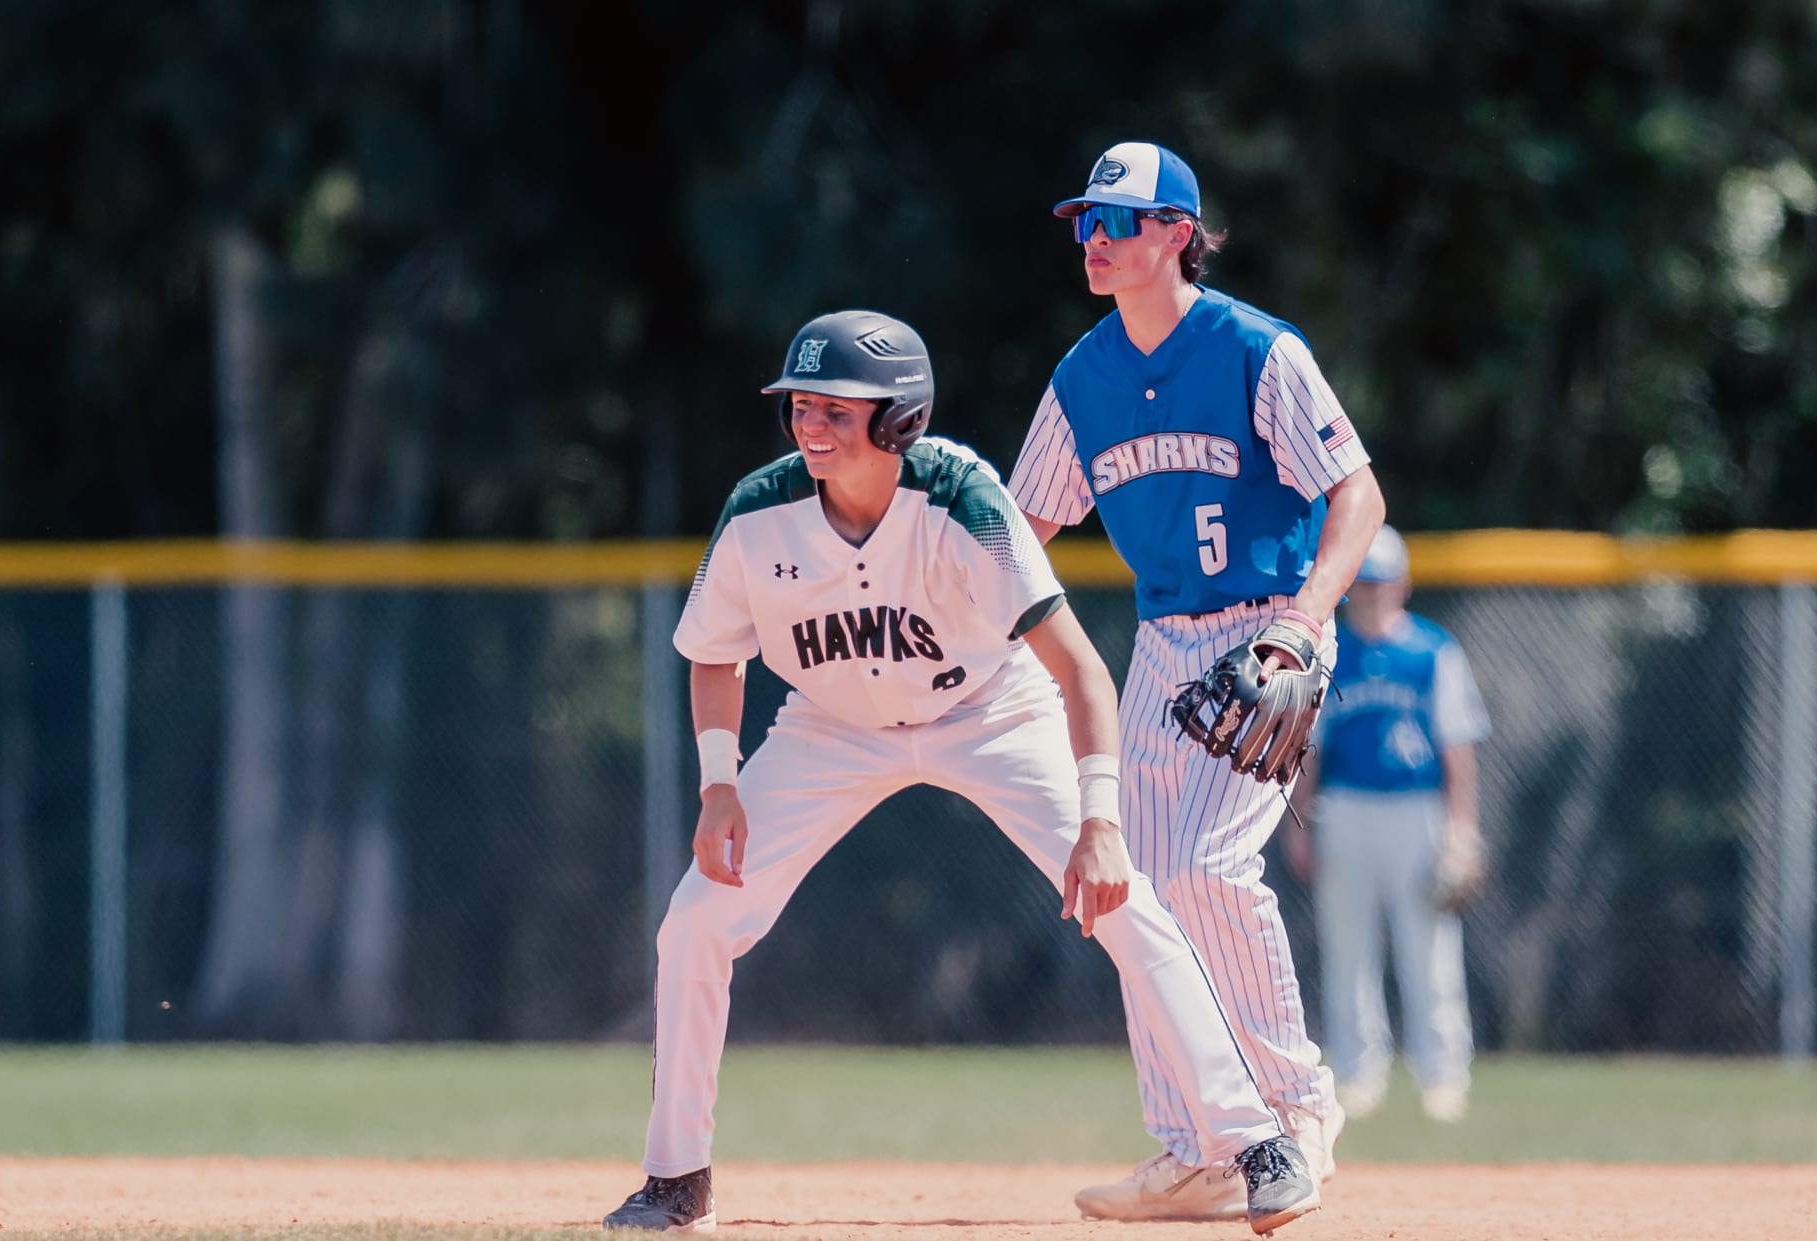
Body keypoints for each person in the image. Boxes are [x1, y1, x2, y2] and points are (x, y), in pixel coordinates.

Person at [602, 309, 1319, 1235]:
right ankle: (675, 1178)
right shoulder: (759, 512)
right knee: (696, 920)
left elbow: (1079, 670)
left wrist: (1100, 821)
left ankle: (1255, 1139)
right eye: (799, 407)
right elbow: (713, 652)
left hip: (990, 708)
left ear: (899, 417)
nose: (809, 426)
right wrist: (718, 783)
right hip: (831, 726)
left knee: (1124, 899)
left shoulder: (964, 500)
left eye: (834, 408)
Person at [1009, 141, 1387, 1222]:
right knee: (1133, 881)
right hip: (1163, 645)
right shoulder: (1082, 377)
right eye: (1086, 223)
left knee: (1209, 861)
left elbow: (1357, 497)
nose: (1096, 241)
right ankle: (1196, 1146)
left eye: (1118, 223)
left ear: (1179, 232)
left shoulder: (1256, 350)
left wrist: (1304, 625)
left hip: (1269, 632)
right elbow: (1024, 528)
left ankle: (1298, 1103)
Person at [1283, 524, 1489, 1123]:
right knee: (1348, 949)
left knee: (1430, 950)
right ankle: (1357, 1072)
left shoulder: (1433, 651)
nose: (1372, 594)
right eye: (1362, 583)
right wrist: (1299, 827)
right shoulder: (1330, 650)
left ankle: (1443, 1074)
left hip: (1416, 812)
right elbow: (1308, 749)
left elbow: (1458, 750)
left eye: (1381, 582)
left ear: (1403, 584)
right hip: (1344, 810)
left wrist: (1462, 829)